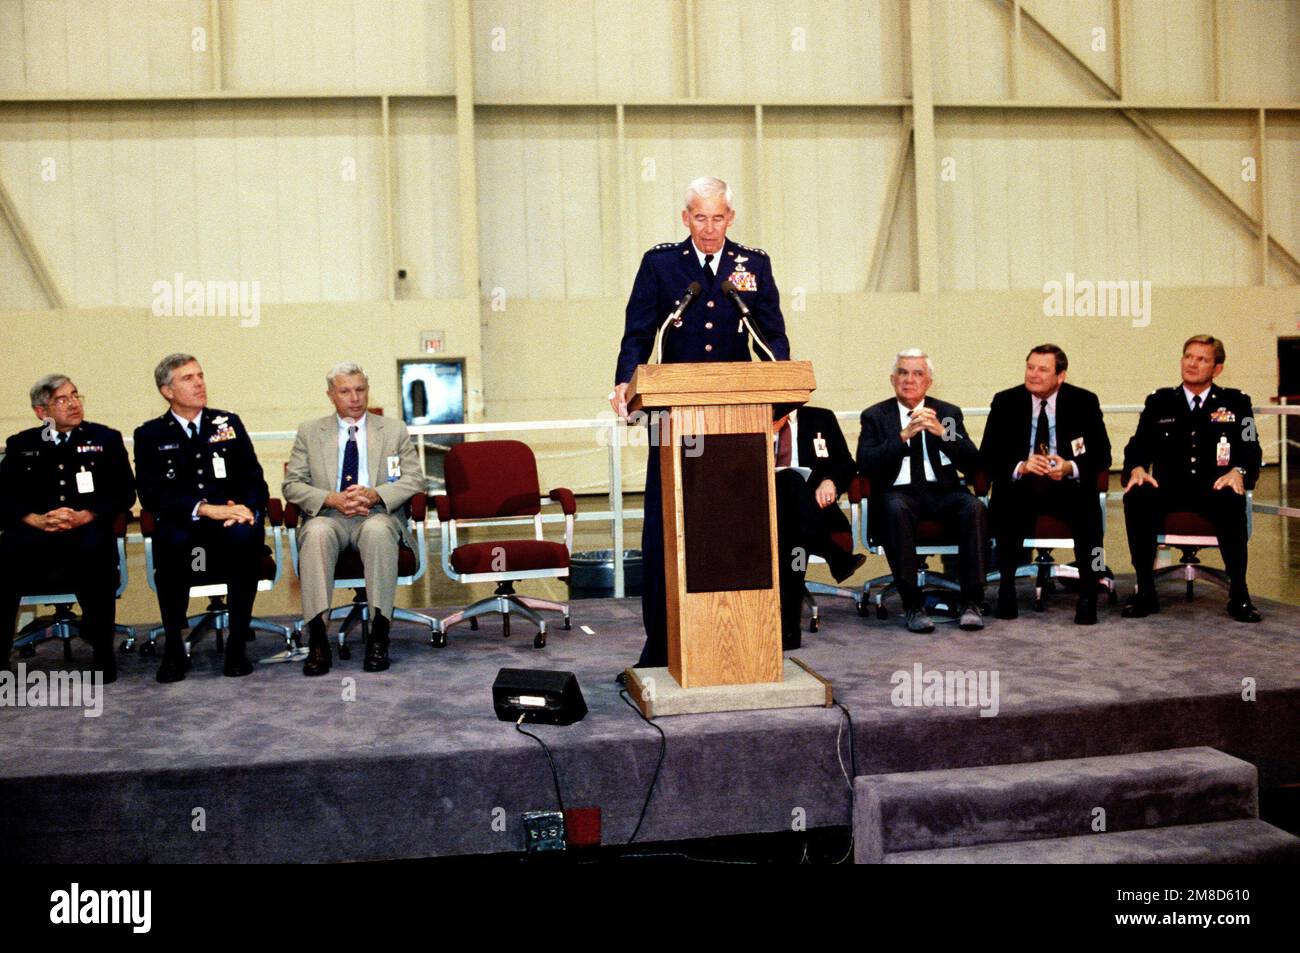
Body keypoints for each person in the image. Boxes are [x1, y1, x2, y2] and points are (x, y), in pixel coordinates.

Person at [610, 175, 790, 670]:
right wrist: (626, 383)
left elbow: (772, 335)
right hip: (672, 418)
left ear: (730, 218)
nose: (709, 229)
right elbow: (639, 333)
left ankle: (743, 637)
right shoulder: (661, 264)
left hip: (737, 420)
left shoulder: (753, 265)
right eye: (700, 217)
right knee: (664, 528)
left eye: (718, 218)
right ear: (685, 218)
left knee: (734, 527)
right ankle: (662, 641)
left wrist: (780, 393)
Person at [133, 354, 270, 682]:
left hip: (230, 524)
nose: (199, 383)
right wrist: (205, 508)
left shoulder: (227, 423)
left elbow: (254, 480)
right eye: (188, 378)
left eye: (200, 375)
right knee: (172, 545)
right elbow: (152, 495)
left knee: (244, 539)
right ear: (167, 390)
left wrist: (246, 511)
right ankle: (174, 650)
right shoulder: (150, 434)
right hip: (185, 526)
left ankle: (237, 644)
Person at [282, 362, 424, 676]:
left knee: (377, 532)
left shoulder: (393, 430)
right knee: (316, 534)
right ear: (331, 395)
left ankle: (379, 635)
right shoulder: (310, 431)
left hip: (376, 513)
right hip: (329, 515)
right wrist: (331, 498)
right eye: (345, 391)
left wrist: (375, 495)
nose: (355, 398)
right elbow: (292, 485)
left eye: (360, 389)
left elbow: (414, 480)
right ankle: (318, 638)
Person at [0, 375, 135, 683]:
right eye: (62, 400)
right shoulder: (22, 445)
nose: (73, 404)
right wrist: (35, 519)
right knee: (4, 556)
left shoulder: (105, 439)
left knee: (95, 554)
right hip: (37, 533)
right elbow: (4, 496)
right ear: (40, 411)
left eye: (76, 396)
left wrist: (86, 515)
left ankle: (102, 653)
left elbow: (124, 492)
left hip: (86, 529)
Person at [1121, 335, 1262, 622]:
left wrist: (1239, 472)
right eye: (1188, 356)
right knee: (1136, 496)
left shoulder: (1236, 402)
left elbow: (1251, 448)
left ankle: (1239, 594)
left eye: (1202, 359)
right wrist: (1136, 467)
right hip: (1169, 488)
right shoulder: (1160, 401)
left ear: (1217, 368)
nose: (1192, 363)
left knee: (1231, 498)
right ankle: (1145, 590)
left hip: (1214, 487)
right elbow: (1139, 444)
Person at [856, 349, 987, 633]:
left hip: (943, 492)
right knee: (894, 507)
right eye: (903, 373)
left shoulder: (948, 414)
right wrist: (903, 437)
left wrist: (942, 432)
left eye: (917, 374)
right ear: (893, 379)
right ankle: (913, 605)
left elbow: (972, 462)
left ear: (928, 382)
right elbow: (865, 464)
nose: (909, 380)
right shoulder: (876, 416)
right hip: (898, 493)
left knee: (973, 507)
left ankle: (971, 602)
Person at [981, 344, 1112, 625]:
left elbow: (1103, 454)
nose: (1034, 375)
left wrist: (1069, 467)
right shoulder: (1005, 401)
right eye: (1030, 367)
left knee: (1088, 511)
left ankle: (1088, 592)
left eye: (1043, 369)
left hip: (1065, 487)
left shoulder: (1084, 402)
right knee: (1006, 502)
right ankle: (1006, 588)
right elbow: (989, 455)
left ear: (1060, 375)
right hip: (1022, 486)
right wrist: (1020, 466)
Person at [773, 406, 865, 649]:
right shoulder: (749, 416)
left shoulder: (820, 418)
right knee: (790, 483)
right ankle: (835, 555)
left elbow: (846, 463)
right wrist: (768, 433)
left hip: (814, 510)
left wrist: (830, 481)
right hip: (765, 509)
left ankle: (789, 628)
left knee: (794, 538)